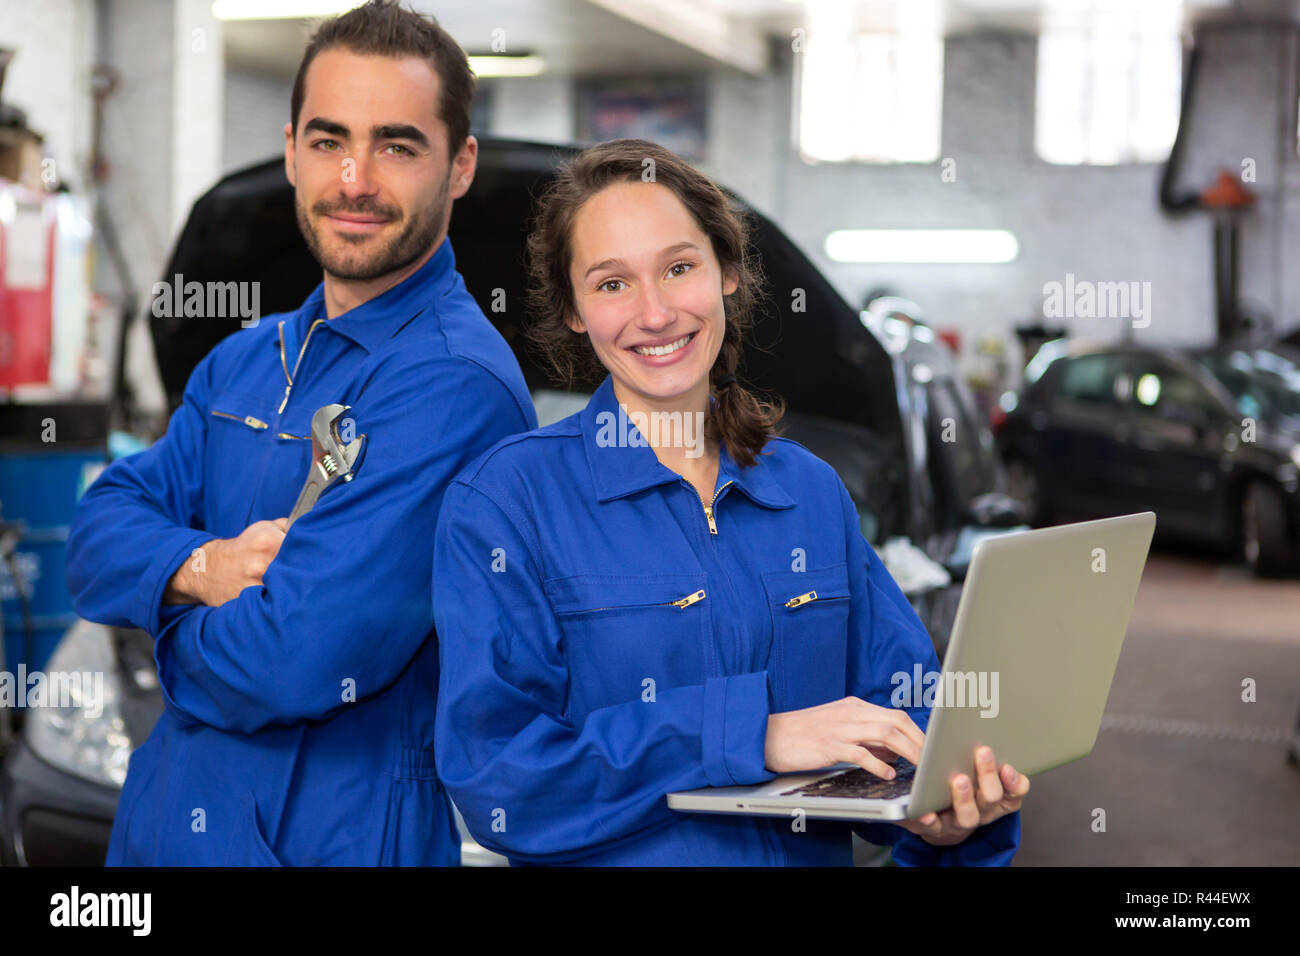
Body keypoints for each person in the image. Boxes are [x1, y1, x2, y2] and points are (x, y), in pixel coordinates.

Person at [432, 139, 1029, 866]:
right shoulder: (508, 502)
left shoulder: (808, 491)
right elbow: (501, 782)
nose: (653, 314)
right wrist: (751, 735)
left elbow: (906, 714)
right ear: (573, 311)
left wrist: (946, 815)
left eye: (679, 268)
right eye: (612, 283)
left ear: (728, 276)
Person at [64, 1, 536, 865]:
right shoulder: (247, 357)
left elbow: (294, 656)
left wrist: (157, 621)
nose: (354, 179)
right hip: (161, 834)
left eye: (396, 145)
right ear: (290, 149)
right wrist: (201, 567)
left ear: (458, 165)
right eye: (328, 140)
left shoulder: (453, 386)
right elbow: (94, 535)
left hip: (322, 842)